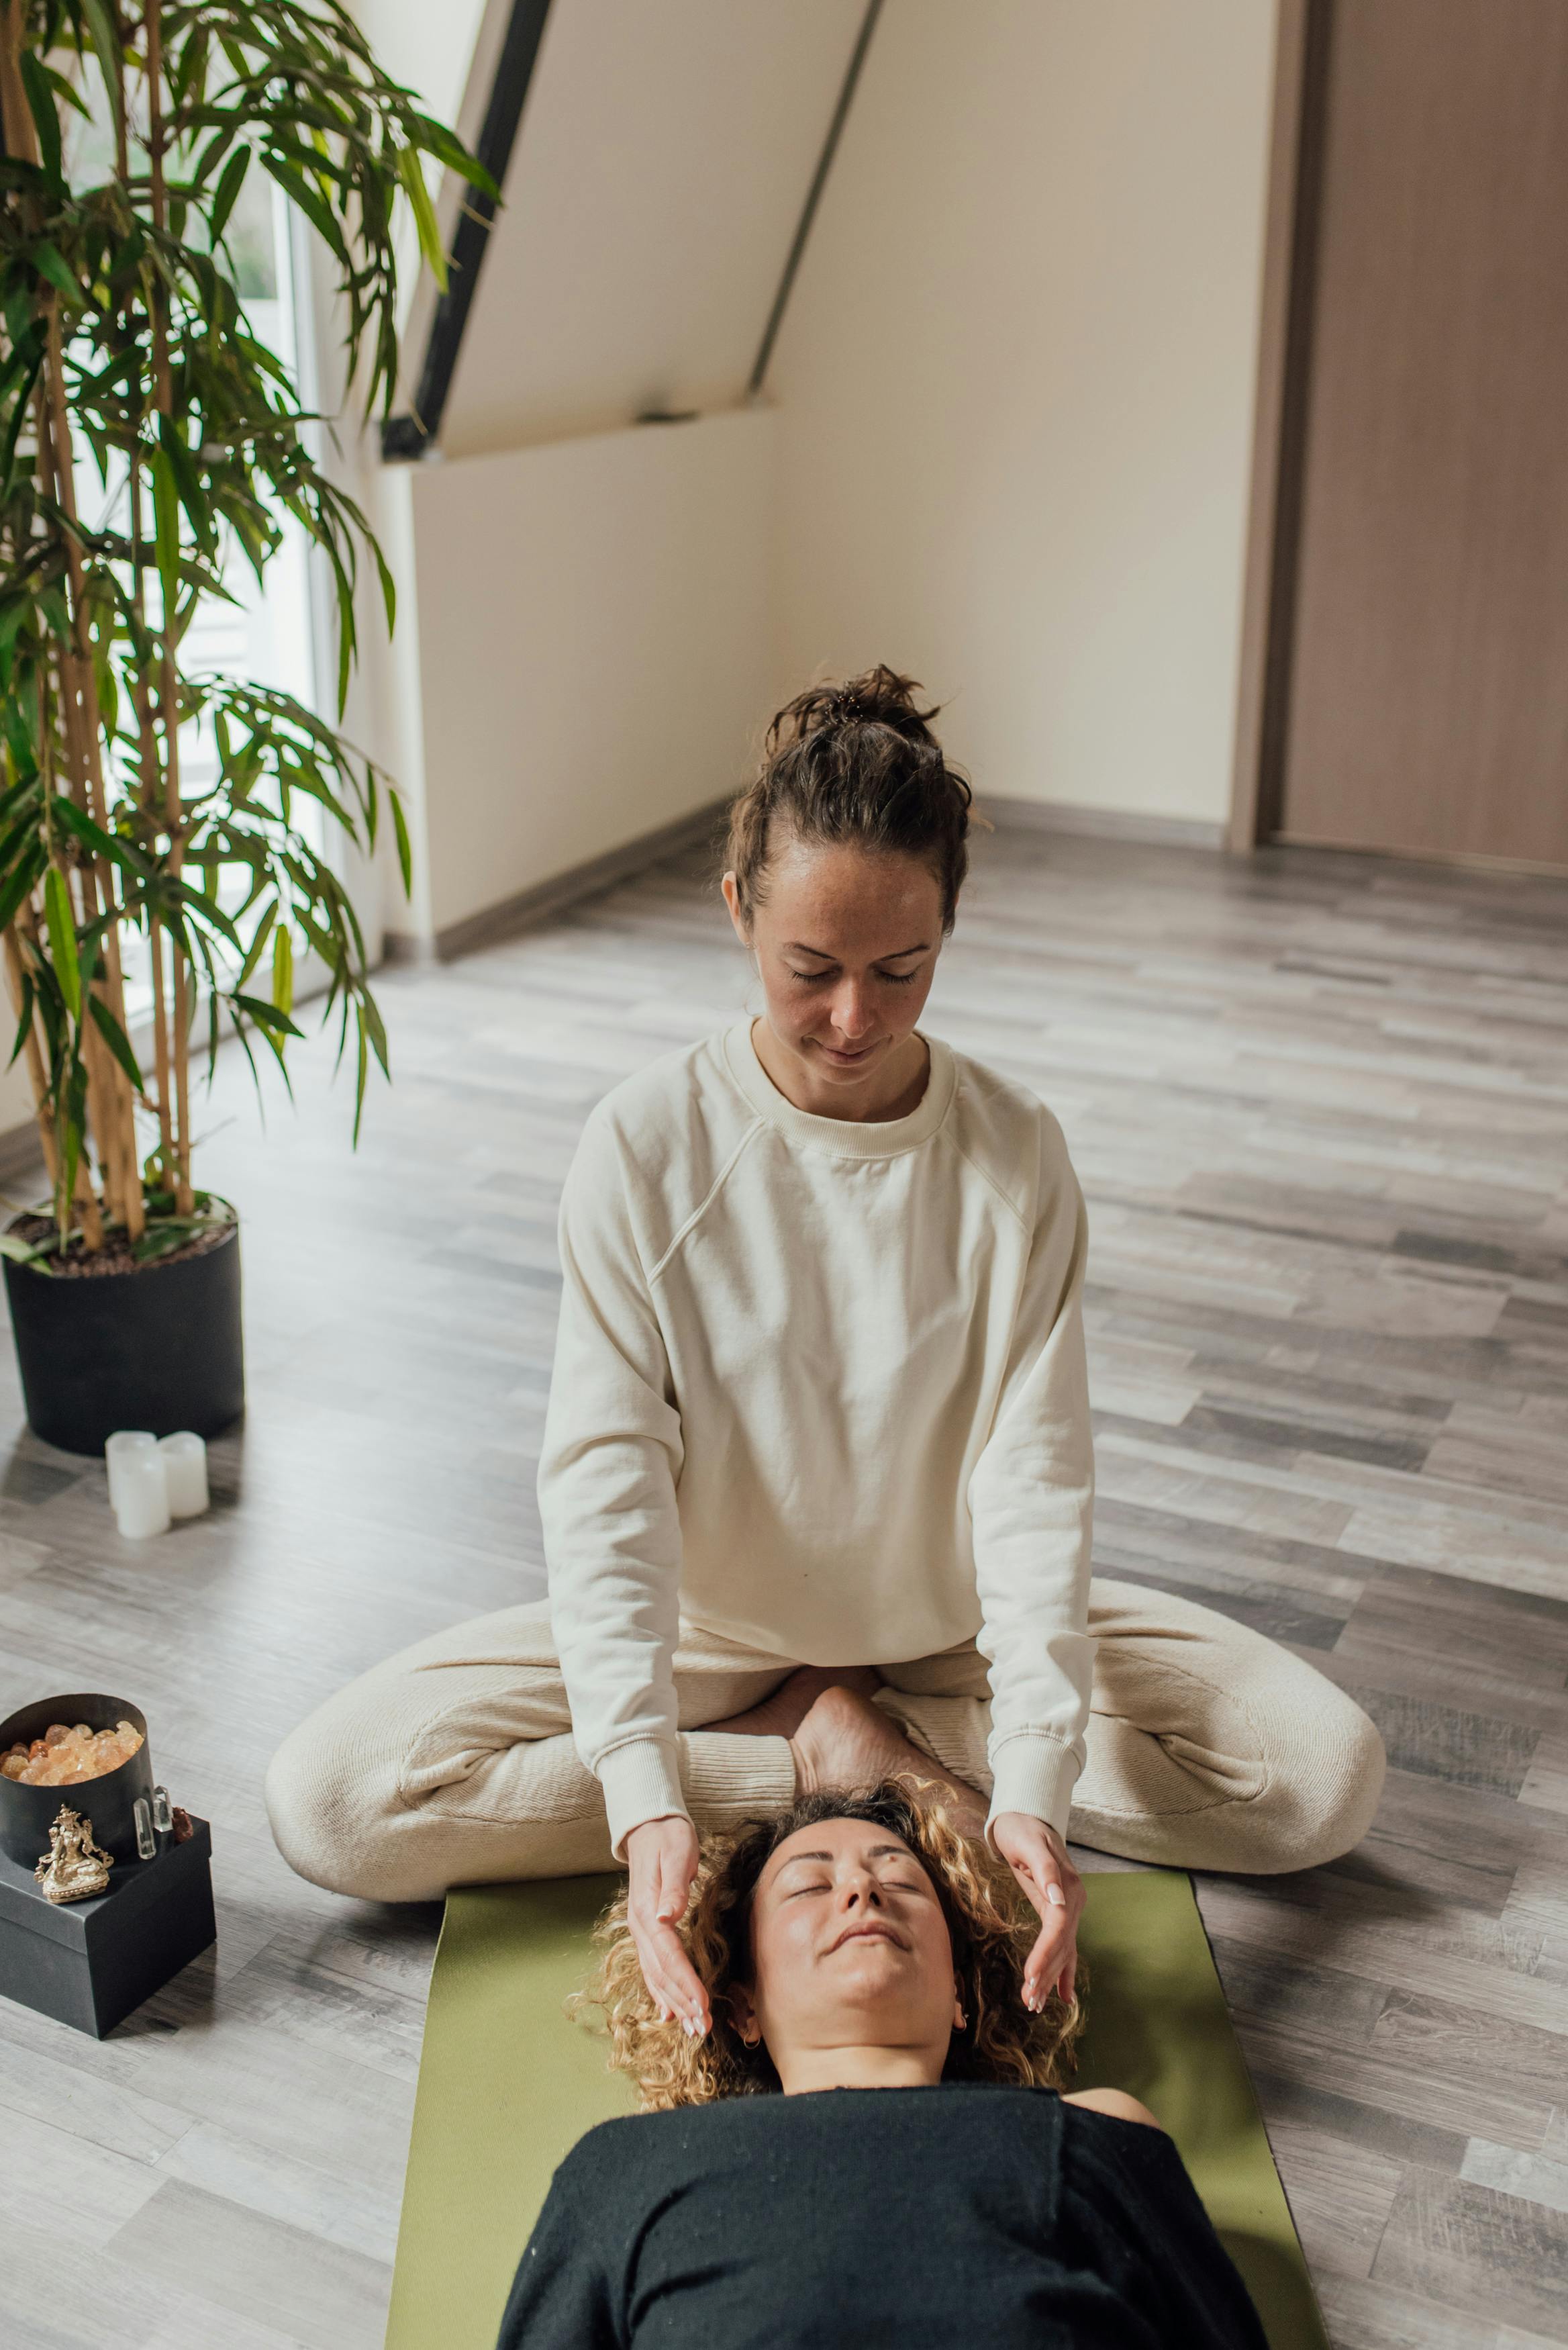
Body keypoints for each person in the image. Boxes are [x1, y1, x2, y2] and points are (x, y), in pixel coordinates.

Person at [266, 666, 1384, 2029]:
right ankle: (817, 1745)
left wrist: (1029, 1785)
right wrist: (641, 1791)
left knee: (1318, 1776)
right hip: (710, 1647)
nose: (853, 1018)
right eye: (811, 970)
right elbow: (605, 1493)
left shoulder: (1014, 1155)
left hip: (950, 1642)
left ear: (946, 932)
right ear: (740, 915)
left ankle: (867, 1733)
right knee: (335, 1801)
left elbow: (1036, 1492)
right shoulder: (643, 1147)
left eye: (897, 970)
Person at [498, 1783, 1269, 2349]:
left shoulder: (1093, 2127)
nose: (863, 1888)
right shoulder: (628, 2163)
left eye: (899, 1878)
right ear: (741, 2006)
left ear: (963, 1994)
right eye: (808, 1883)